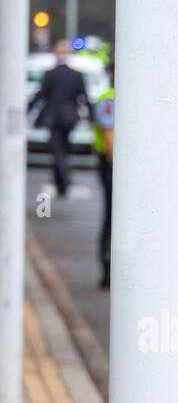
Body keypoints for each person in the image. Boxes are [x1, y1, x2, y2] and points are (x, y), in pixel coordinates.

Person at [29, 40, 90, 197]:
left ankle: (63, 178)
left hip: (54, 116)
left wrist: (29, 109)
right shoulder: (77, 74)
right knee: (64, 147)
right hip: (70, 117)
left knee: (57, 149)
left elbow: (41, 94)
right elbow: (83, 97)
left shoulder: (50, 73)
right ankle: (62, 179)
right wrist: (92, 117)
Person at [91, 63, 115, 289]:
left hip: (114, 166)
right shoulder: (109, 99)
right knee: (112, 217)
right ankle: (107, 270)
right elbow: (108, 136)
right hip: (111, 166)